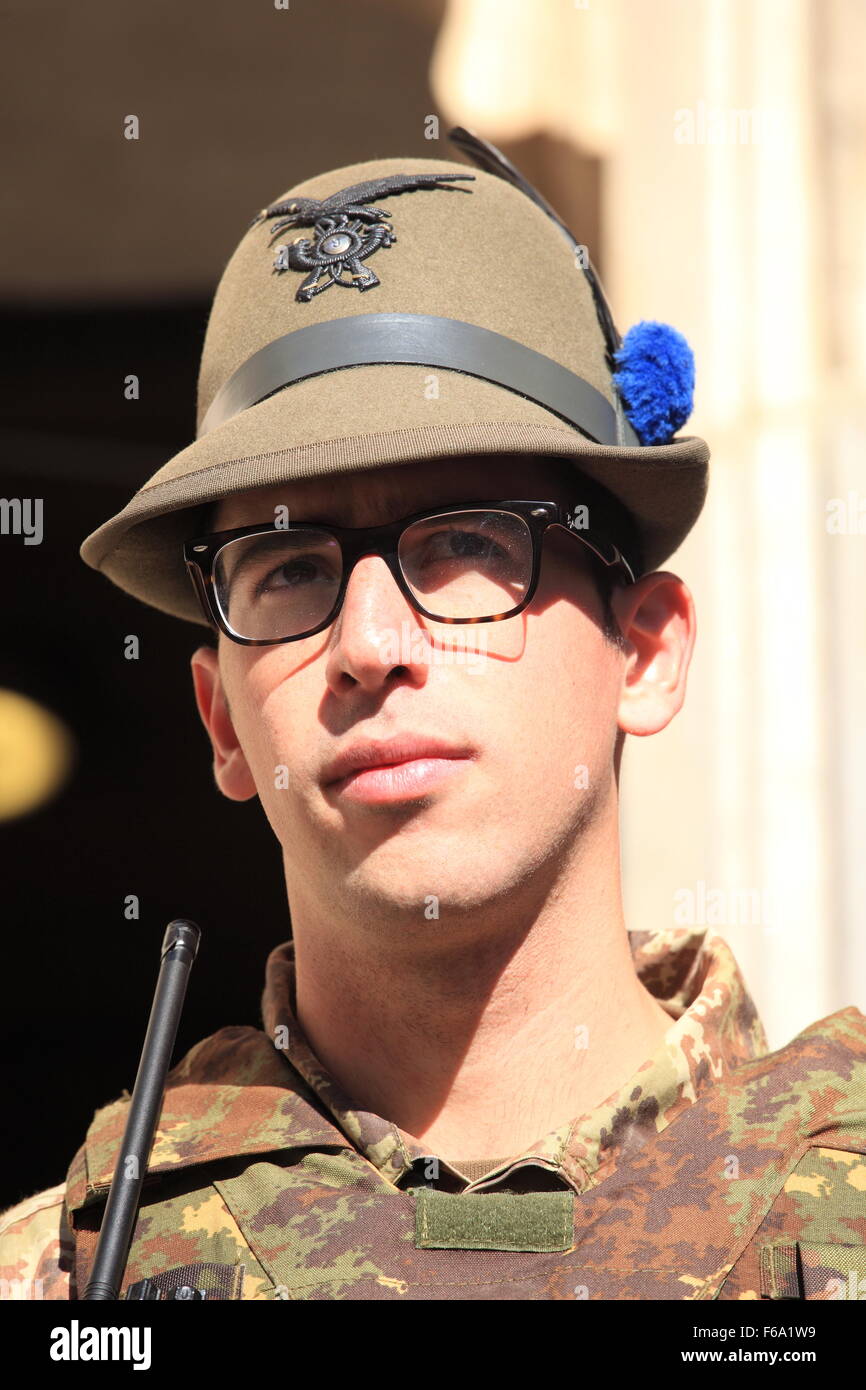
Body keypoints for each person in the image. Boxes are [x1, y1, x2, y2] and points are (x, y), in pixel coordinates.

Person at [2, 130, 864, 1302]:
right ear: (219, 720)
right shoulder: (65, 1277)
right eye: (287, 565)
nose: (367, 644)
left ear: (645, 652)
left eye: (465, 542)